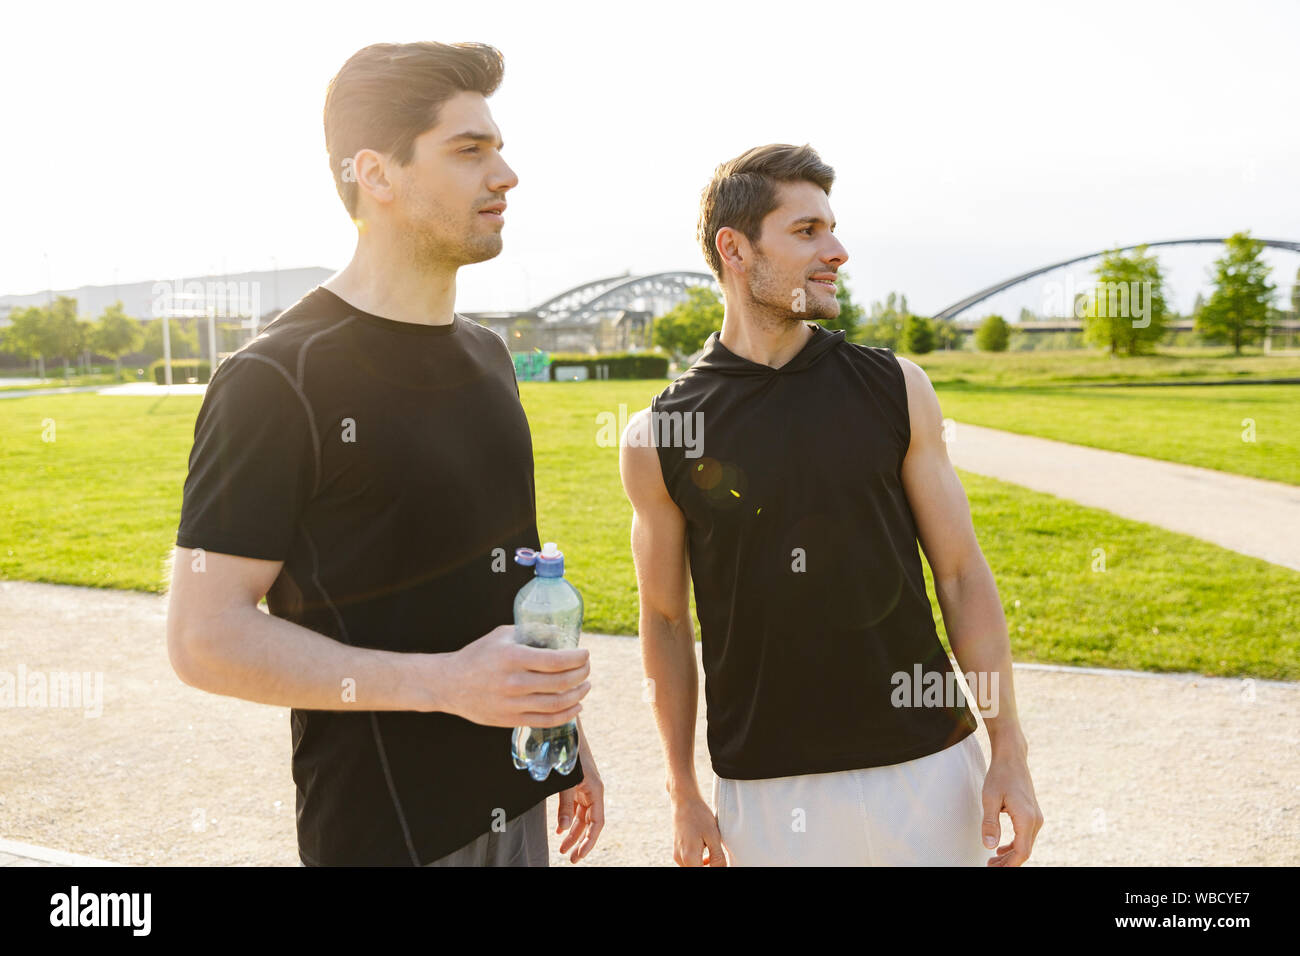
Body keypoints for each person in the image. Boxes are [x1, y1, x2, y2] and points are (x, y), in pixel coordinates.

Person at [166, 41, 603, 867]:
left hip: (517, 802)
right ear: (378, 174)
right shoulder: (274, 378)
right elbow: (203, 638)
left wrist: (565, 737)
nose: (505, 175)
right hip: (387, 834)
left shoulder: (488, 355)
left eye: (500, 149)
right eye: (469, 150)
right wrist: (442, 685)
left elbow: (513, 585)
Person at [618, 143, 1042, 866]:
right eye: (807, 231)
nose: (837, 251)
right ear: (735, 248)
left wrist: (1010, 750)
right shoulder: (659, 434)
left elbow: (963, 574)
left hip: (928, 772)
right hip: (767, 794)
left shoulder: (896, 388)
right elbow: (662, 620)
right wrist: (682, 790)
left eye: (833, 229)